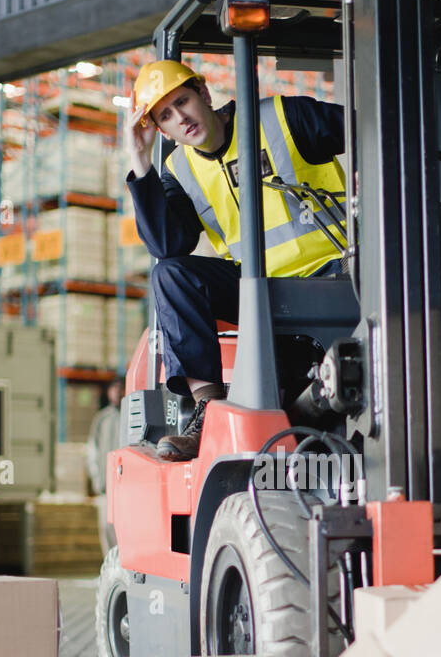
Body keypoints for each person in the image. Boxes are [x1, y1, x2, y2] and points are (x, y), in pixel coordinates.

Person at [125, 60, 348, 460]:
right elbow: (168, 245)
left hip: (334, 273)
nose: (181, 118)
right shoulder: (179, 169)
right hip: (258, 291)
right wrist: (141, 160)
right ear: (162, 131)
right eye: (166, 116)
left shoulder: (282, 118)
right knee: (170, 275)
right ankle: (208, 411)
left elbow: (371, 129)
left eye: (183, 101)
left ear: (204, 93)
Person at [86, 376, 125, 555]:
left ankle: (125, 565)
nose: (117, 392)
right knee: (106, 529)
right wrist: (96, 478)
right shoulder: (102, 419)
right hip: (105, 487)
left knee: (123, 529)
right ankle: (110, 564)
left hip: (126, 486)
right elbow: (92, 450)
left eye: (120, 388)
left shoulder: (132, 415)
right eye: (113, 388)